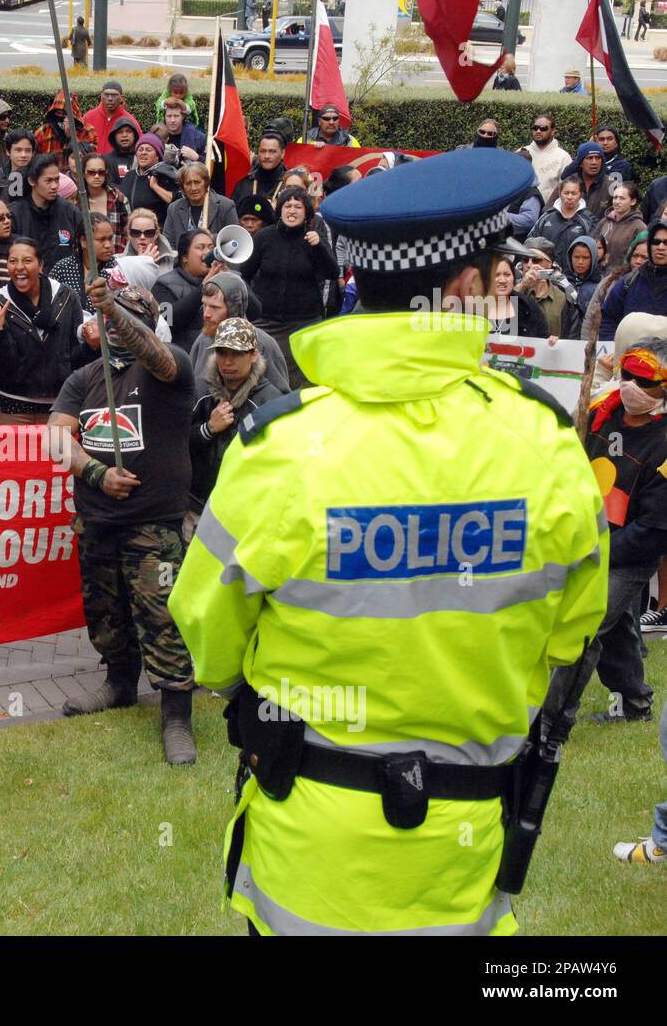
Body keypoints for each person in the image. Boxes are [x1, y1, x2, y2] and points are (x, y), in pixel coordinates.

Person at [170, 146, 607, 936]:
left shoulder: (279, 451)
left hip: (309, 855)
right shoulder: (545, 444)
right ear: (468, 289)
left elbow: (208, 641)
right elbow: (571, 635)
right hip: (461, 859)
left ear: (358, 283)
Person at [48, 271, 199, 764]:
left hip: (152, 523)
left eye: (128, 315)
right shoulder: (84, 378)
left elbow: (153, 352)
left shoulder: (169, 366)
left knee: (160, 617)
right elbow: (55, 437)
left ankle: (176, 715)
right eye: (107, 315)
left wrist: (114, 308)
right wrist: (93, 472)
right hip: (97, 519)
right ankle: (118, 685)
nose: (114, 325)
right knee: (106, 614)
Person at [568, 340, 667, 730]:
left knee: (584, 627)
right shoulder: (598, 414)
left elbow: (653, 531)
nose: (629, 385)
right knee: (618, 621)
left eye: (642, 379)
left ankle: (552, 720)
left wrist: (601, 548)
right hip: (587, 538)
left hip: (630, 554)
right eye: (626, 375)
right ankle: (635, 702)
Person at [188, 316, 282, 528]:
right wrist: (208, 429)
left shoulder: (269, 400)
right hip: (197, 506)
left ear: (253, 355)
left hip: (247, 510)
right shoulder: (200, 391)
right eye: (222, 352)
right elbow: (176, 444)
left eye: (237, 353)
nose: (228, 362)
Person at [240, 189, 338, 387]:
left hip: (304, 323)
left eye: (298, 206)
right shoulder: (264, 237)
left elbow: (332, 273)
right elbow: (245, 274)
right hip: (266, 323)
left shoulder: (314, 239)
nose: (292, 211)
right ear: (280, 210)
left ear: (306, 213)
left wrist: (319, 247)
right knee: (263, 379)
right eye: (287, 206)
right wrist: (254, 307)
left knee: (300, 382)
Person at [0, 236, 81, 424]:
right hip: (12, 406)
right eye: (13, 261)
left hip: (61, 406)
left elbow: (77, 354)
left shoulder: (66, 297)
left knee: (57, 454)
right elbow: (1, 368)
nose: (19, 267)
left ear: (41, 265)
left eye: (27, 260)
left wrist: (91, 343)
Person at [189, 273, 283, 388]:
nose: (206, 314)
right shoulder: (202, 341)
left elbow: (282, 400)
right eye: (204, 305)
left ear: (234, 308)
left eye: (215, 307)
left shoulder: (263, 343)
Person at [9, 154, 80, 271]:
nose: (54, 186)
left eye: (57, 180)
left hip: (63, 284)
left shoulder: (70, 212)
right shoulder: (15, 214)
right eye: (48, 181)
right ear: (32, 181)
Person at [153, 228, 217, 350]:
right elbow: (167, 321)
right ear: (184, 257)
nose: (208, 252)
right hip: (184, 356)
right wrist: (203, 287)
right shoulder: (162, 284)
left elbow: (254, 310)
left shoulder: (221, 279)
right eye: (200, 247)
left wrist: (231, 279)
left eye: (211, 247)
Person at [601, 221, 667, 339]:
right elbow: (608, 319)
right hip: (630, 355)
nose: (660, 247)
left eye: (666, 243)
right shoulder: (629, 282)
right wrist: (613, 347)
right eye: (656, 242)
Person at [512, 239, 581, 340]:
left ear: (550, 264)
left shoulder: (564, 296)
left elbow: (572, 337)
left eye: (536, 260)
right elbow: (501, 319)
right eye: (525, 260)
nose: (529, 265)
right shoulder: (513, 287)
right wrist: (522, 286)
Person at [528, 176, 596, 275]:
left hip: (576, 278)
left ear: (580, 194)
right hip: (547, 275)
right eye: (566, 193)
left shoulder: (588, 220)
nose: (569, 197)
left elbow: (595, 250)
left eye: (574, 193)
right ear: (560, 194)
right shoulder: (546, 217)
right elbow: (531, 243)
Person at [162, 162, 237, 250]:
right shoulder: (174, 208)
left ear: (206, 183)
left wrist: (210, 238)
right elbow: (168, 244)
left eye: (197, 182)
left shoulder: (226, 205)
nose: (193, 188)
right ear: (182, 187)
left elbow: (234, 237)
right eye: (188, 183)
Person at [117, 133, 175, 221]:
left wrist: (155, 187)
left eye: (148, 150)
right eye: (140, 149)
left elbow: (177, 202)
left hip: (157, 231)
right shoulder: (130, 175)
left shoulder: (166, 175)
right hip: (131, 230)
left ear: (157, 156)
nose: (143, 152)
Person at [33, 91, 95, 172]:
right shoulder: (42, 133)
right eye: (58, 113)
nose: (62, 118)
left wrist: (72, 136)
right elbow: (34, 164)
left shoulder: (88, 132)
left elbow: (92, 162)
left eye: (66, 114)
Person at [81, 153, 131, 253]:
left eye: (101, 172)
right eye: (91, 172)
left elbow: (129, 230)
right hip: (86, 258)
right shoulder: (77, 201)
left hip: (116, 257)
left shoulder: (118, 198)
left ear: (106, 173)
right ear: (83, 173)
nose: (96, 176)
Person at [520, 115, 571, 205]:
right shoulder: (521, 153)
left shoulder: (563, 157)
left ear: (553, 131)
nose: (538, 131)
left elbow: (567, 189)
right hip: (522, 213)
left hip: (549, 212)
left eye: (543, 128)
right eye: (535, 128)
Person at [597, 182, 646, 268]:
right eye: (615, 198)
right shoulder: (604, 222)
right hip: (598, 274)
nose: (617, 202)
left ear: (633, 201)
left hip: (621, 276)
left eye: (622, 198)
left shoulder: (639, 227)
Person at [84, 81, 139, 156]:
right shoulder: (88, 117)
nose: (110, 98)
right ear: (101, 96)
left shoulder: (130, 120)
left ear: (121, 97)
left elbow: (139, 146)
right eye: (106, 94)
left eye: (114, 95)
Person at [233, 131, 287, 205]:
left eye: (272, 151)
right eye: (263, 151)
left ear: (282, 153)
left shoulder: (289, 184)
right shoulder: (245, 184)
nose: (266, 156)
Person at [0, 128, 37, 202]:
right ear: (8, 151)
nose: (23, 155)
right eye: (18, 150)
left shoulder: (41, 177)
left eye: (28, 150)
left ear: (33, 153)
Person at [157, 97, 206, 163]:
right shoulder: (157, 136)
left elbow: (210, 166)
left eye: (176, 116)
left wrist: (197, 157)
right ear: (164, 117)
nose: (172, 120)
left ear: (183, 116)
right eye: (169, 116)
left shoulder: (199, 138)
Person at [104, 116, 140, 183]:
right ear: (114, 136)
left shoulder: (141, 157)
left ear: (134, 135)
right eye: (120, 132)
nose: (124, 135)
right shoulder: (107, 160)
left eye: (128, 131)